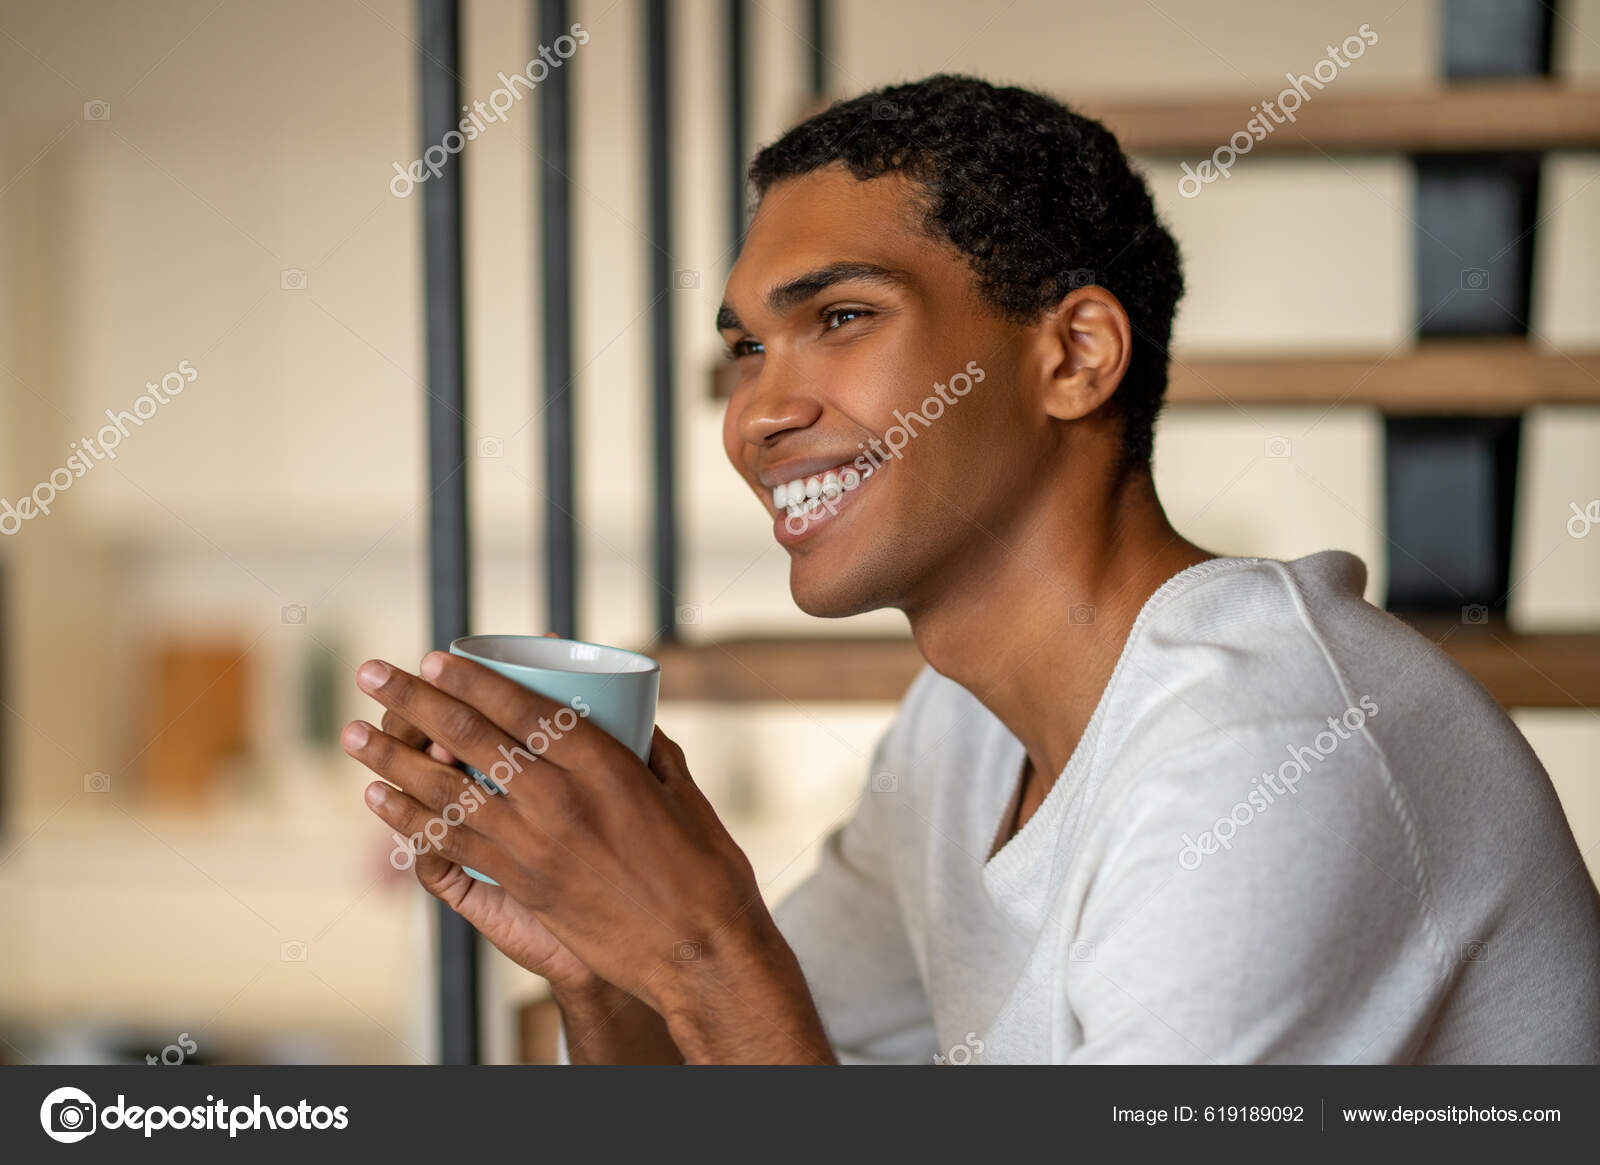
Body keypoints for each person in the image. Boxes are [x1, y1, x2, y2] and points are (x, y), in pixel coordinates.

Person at [344, 75, 1600, 1063]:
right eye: (744, 349)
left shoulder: (1267, 760)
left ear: (1074, 357)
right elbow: (737, 1073)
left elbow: (736, 1018)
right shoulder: (962, 733)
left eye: (839, 318)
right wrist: (599, 957)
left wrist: (700, 946)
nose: (756, 416)